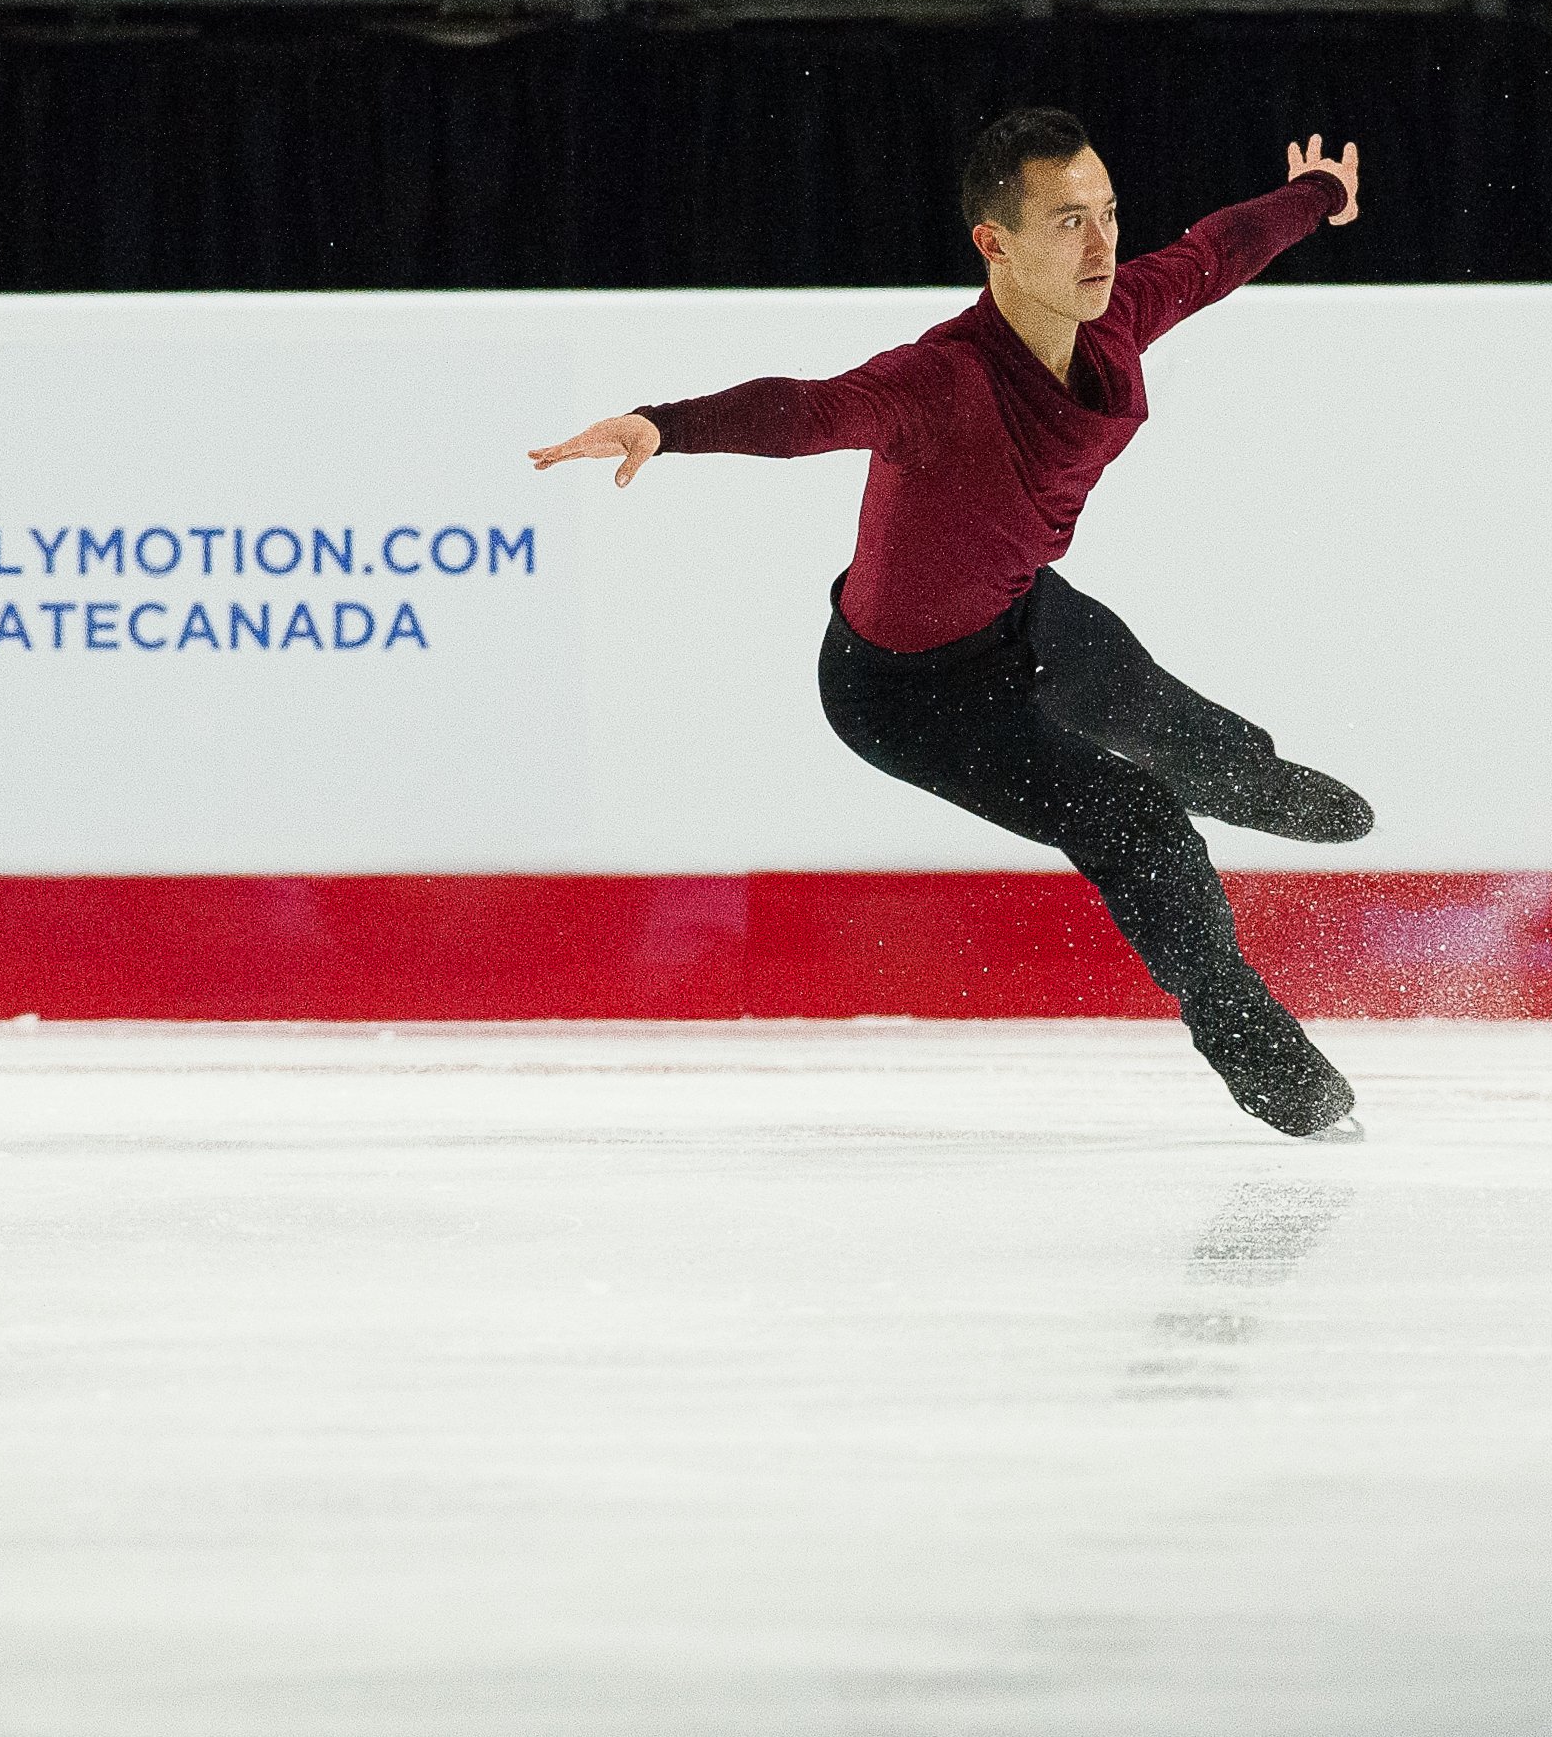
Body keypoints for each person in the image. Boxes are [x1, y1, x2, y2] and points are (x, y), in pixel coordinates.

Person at [528, 112, 1375, 1139]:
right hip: (907, 694)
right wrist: (665, 424)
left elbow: (1213, 253)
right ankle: (1272, 1071)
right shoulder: (942, 379)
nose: (1101, 245)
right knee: (1137, 821)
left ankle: (1253, 779)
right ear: (996, 242)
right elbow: (808, 410)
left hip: (1023, 612)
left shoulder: (1115, 316)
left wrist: (1317, 196)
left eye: (1106, 214)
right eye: (1069, 222)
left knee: (1182, 730)